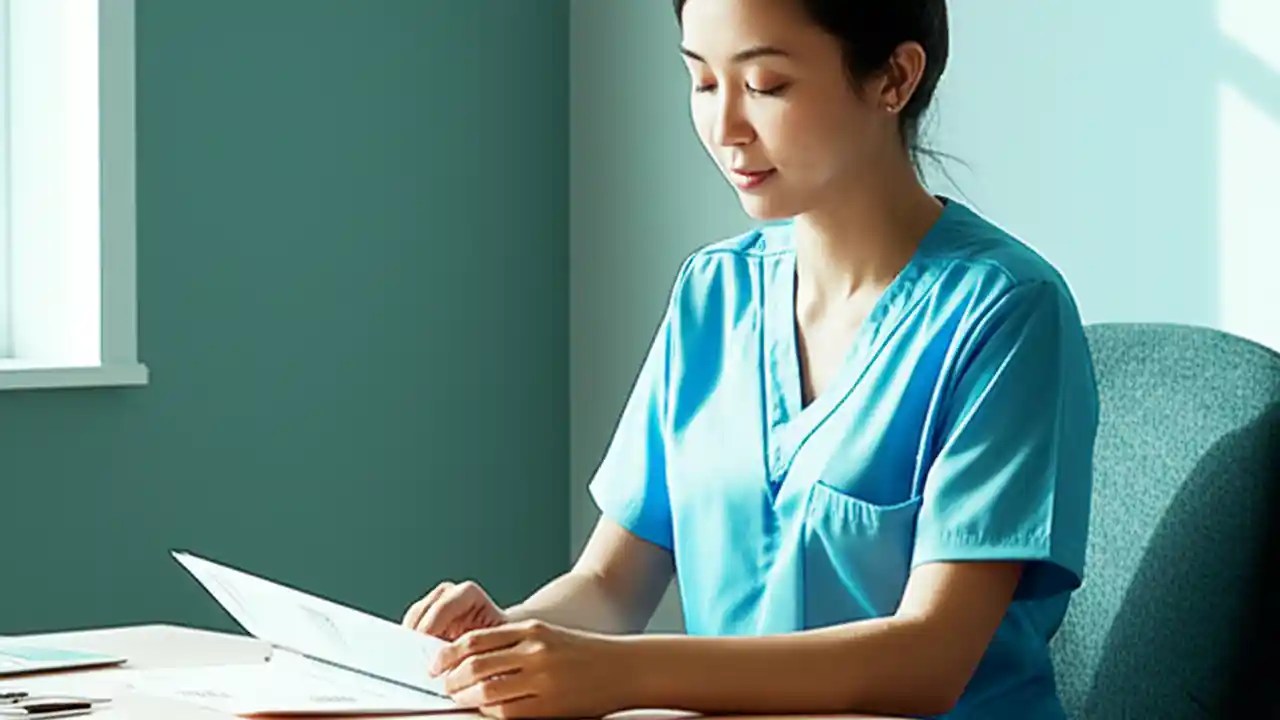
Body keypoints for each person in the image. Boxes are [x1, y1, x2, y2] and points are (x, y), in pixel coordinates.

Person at [402, 0, 1099, 717]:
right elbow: (610, 587)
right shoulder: (716, 293)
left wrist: (626, 674)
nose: (725, 129)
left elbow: (928, 658)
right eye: (702, 83)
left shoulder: (1005, 312)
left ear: (894, 77)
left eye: (766, 85)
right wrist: (503, 643)